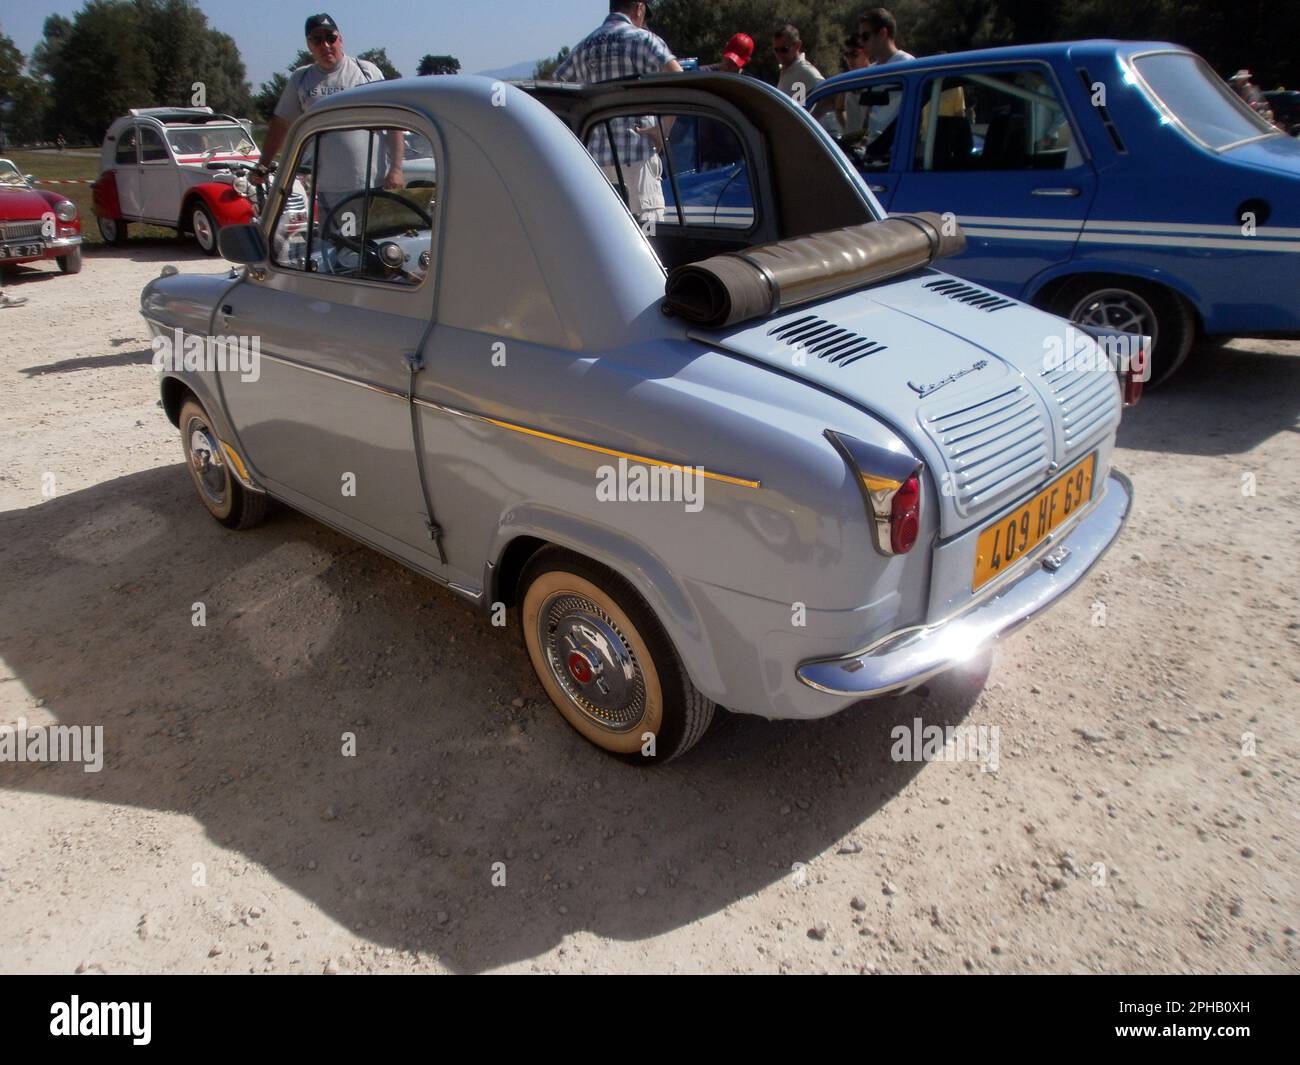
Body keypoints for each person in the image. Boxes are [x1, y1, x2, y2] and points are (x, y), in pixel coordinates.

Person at [553, 2, 683, 223]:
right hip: (637, 156)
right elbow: (680, 79)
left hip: (596, 166)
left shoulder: (583, 47)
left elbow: (555, 88)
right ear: (639, 8)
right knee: (651, 239)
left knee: (609, 235)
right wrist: (663, 130)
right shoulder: (644, 40)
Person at [252, 13, 403, 194]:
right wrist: (263, 165)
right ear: (309, 45)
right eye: (317, 40)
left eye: (331, 38)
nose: (326, 45)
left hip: (371, 184)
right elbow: (281, 125)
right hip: (325, 188)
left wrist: (396, 169)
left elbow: (394, 123)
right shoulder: (301, 79)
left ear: (340, 39)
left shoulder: (367, 72)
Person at [773, 24, 824, 102]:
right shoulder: (786, 69)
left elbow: (827, 98)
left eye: (784, 49)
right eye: (776, 50)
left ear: (797, 46)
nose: (779, 54)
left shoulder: (807, 72)